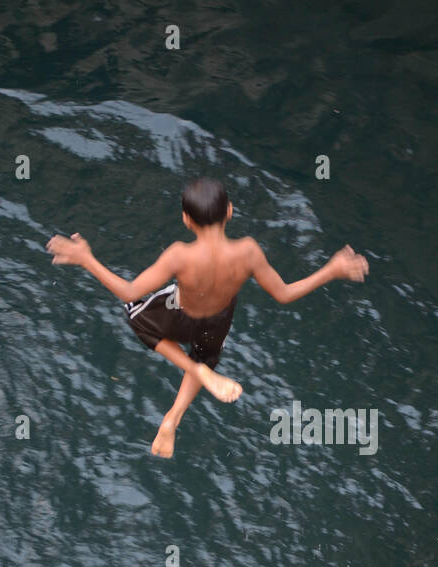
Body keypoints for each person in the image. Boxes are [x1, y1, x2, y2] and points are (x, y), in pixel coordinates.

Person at [46, 177, 369, 457]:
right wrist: (332, 269)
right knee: (206, 355)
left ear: (187, 219)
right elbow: (283, 294)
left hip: (178, 314)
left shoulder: (179, 255)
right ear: (229, 211)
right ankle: (174, 415)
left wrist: (86, 259)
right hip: (218, 320)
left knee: (136, 315)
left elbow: (129, 291)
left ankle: (196, 372)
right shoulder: (248, 251)